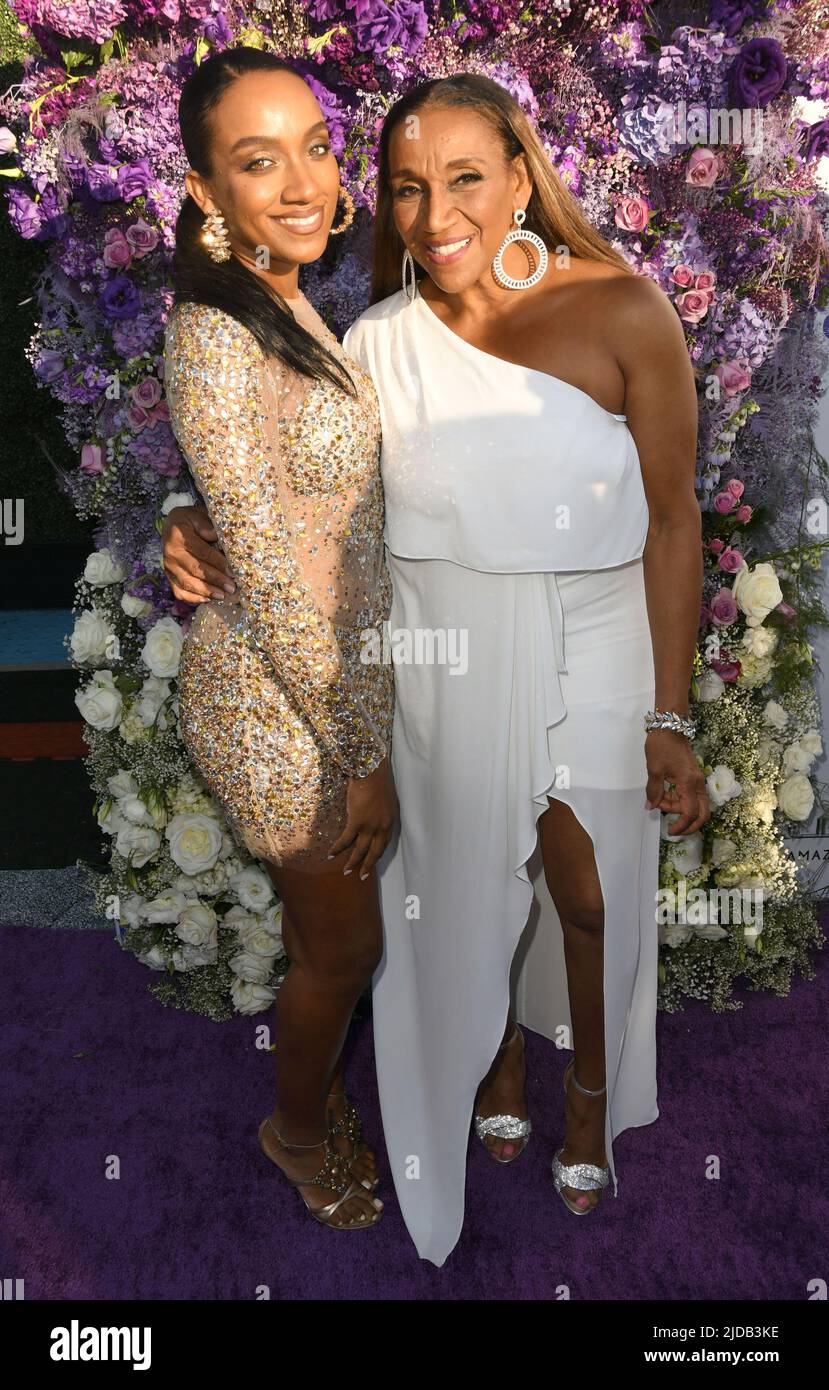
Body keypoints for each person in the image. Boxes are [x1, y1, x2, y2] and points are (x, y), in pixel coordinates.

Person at [164, 71, 710, 1266]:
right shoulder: (374, 336)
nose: (434, 211)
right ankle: (494, 1058)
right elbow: (302, 489)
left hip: (597, 630)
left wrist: (670, 710)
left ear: (522, 174)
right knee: (457, 888)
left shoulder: (626, 309)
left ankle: (585, 1093)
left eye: (466, 176)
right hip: (437, 650)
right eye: (408, 186)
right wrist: (192, 523)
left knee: (589, 887)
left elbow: (675, 518)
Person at [163, 47, 395, 1230]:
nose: (303, 180)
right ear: (207, 190)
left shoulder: (283, 300)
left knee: (336, 939)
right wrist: (359, 752)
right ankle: (295, 1130)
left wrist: (182, 516)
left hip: (324, 689)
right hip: (280, 711)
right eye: (259, 160)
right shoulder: (213, 331)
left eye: (313, 143)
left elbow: (284, 501)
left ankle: (315, 1105)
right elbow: (267, 564)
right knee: (338, 952)